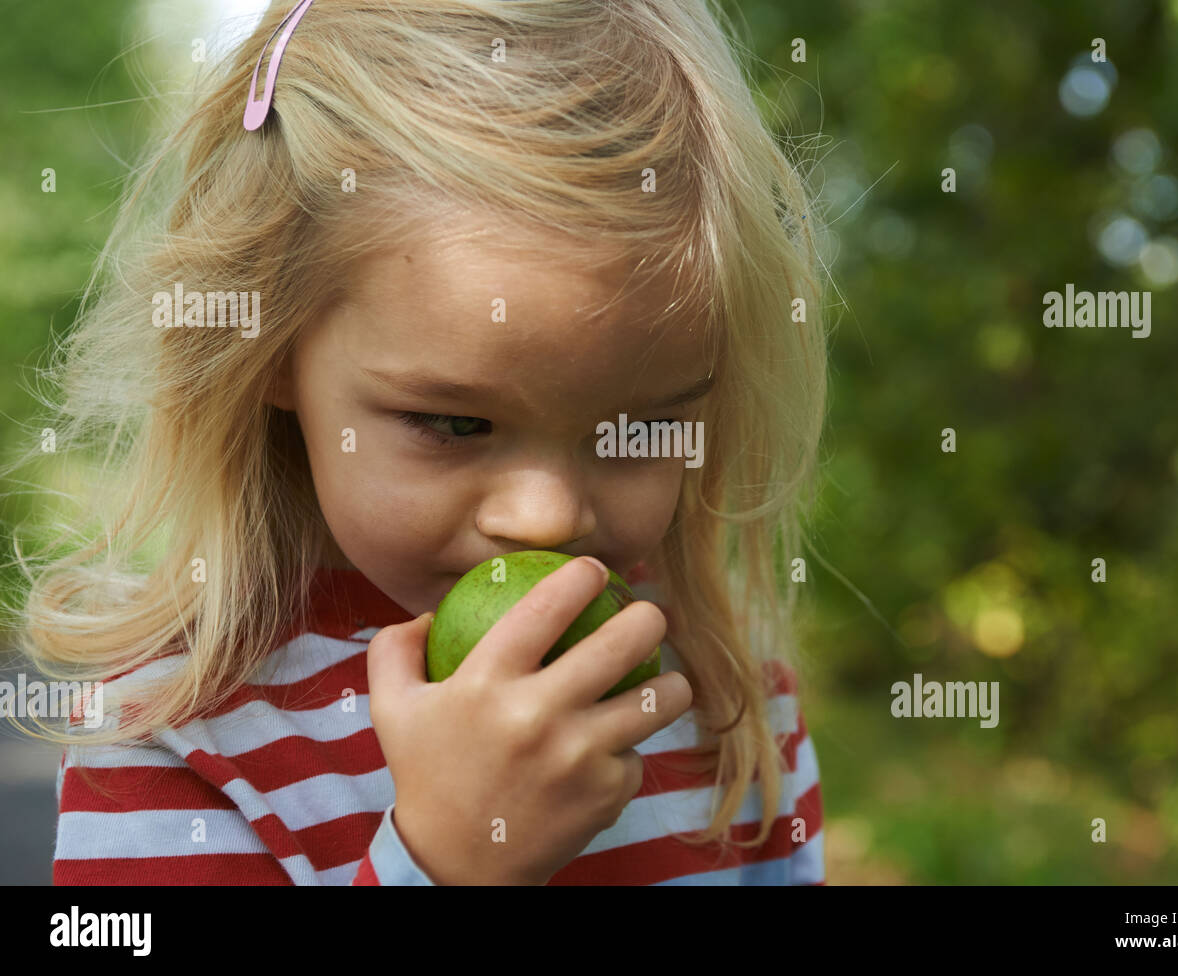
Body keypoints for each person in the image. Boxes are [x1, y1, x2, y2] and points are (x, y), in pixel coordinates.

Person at [9, 0, 828, 885]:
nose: (545, 516)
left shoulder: (728, 705)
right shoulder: (177, 740)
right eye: (454, 424)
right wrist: (446, 863)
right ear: (272, 351)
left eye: (640, 429)